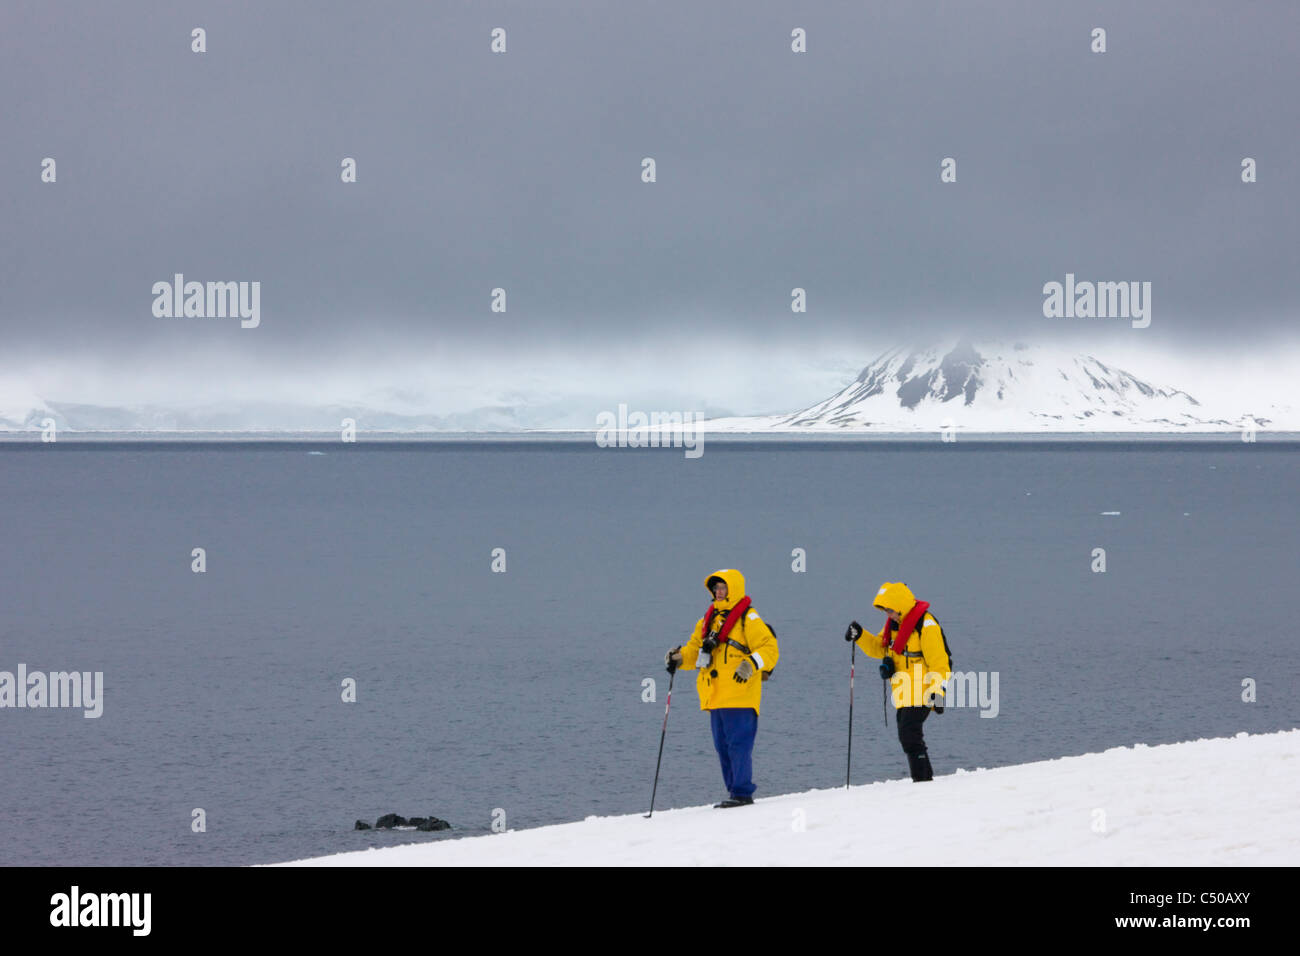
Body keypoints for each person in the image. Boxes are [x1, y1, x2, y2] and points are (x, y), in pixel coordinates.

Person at [666, 569, 779, 807]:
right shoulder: (707, 620)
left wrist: (750, 664)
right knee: (723, 747)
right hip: (715, 696)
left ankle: (742, 794)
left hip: (739, 695)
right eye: (716, 588)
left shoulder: (749, 618)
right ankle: (733, 793)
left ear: (734, 589)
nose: (719, 592)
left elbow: (770, 649)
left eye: (723, 588)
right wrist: (678, 658)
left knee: (738, 745)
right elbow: (694, 651)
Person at [844, 581, 952, 782]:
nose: (889, 615)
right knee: (908, 737)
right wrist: (859, 635)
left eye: (891, 610)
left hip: (923, 691)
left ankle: (922, 781)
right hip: (903, 694)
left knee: (909, 735)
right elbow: (878, 648)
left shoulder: (926, 625)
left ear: (901, 605)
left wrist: (938, 691)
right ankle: (924, 780)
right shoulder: (894, 627)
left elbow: (939, 663)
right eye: (886, 611)